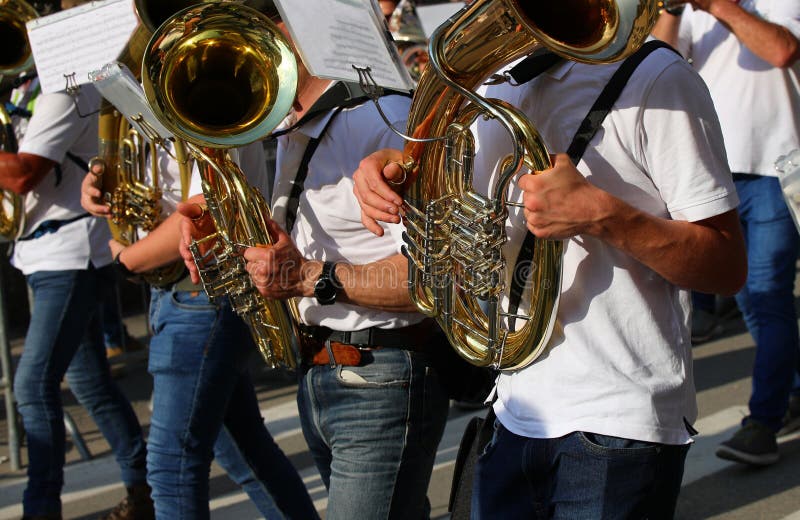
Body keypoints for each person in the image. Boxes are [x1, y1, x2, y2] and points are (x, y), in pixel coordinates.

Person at [351, 34, 747, 520]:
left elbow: (726, 266)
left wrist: (608, 217)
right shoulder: (484, 78)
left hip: (616, 422)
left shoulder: (656, 75)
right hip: (512, 405)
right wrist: (391, 171)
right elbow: (452, 224)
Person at [177, 7, 451, 519]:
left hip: (380, 378)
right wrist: (224, 234)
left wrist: (307, 276)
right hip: (322, 372)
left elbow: (433, 278)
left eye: (262, 23)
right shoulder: (297, 122)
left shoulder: (379, 118)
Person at [80, 83, 318, 520]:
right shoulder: (153, 79)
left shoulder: (201, 77)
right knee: (247, 454)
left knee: (170, 468)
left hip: (201, 294)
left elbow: (206, 206)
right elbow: (163, 176)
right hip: (183, 293)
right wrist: (100, 175)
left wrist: (127, 262)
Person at [0, 3, 151, 518]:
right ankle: (142, 484)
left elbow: (24, 174)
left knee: (32, 383)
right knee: (88, 382)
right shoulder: (32, 90)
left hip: (69, 256)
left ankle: (41, 507)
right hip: (44, 251)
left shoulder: (66, 90)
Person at [654, 0, 800, 466]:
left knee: (765, 294)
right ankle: (790, 390)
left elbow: (781, 50)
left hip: (777, 170)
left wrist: (720, 5)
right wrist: (674, 9)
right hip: (719, 175)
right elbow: (656, 58)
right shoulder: (695, 14)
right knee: (748, 298)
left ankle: (763, 422)